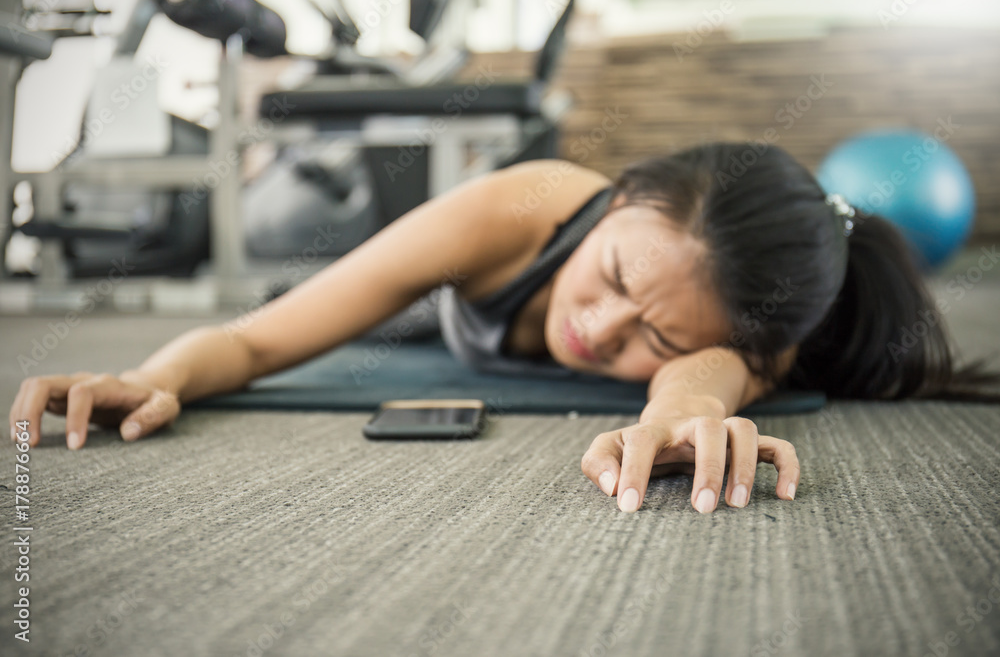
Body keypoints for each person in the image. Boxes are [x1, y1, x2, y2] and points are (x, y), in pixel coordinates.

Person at [8, 143, 1000, 515]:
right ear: (618, 197)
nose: (595, 329)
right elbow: (262, 339)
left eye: (652, 335)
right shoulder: (513, 210)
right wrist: (157, 371)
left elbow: (702, 383)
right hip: (417, 288)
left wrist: (690, 400)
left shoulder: (745, 335)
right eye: (612, 275)